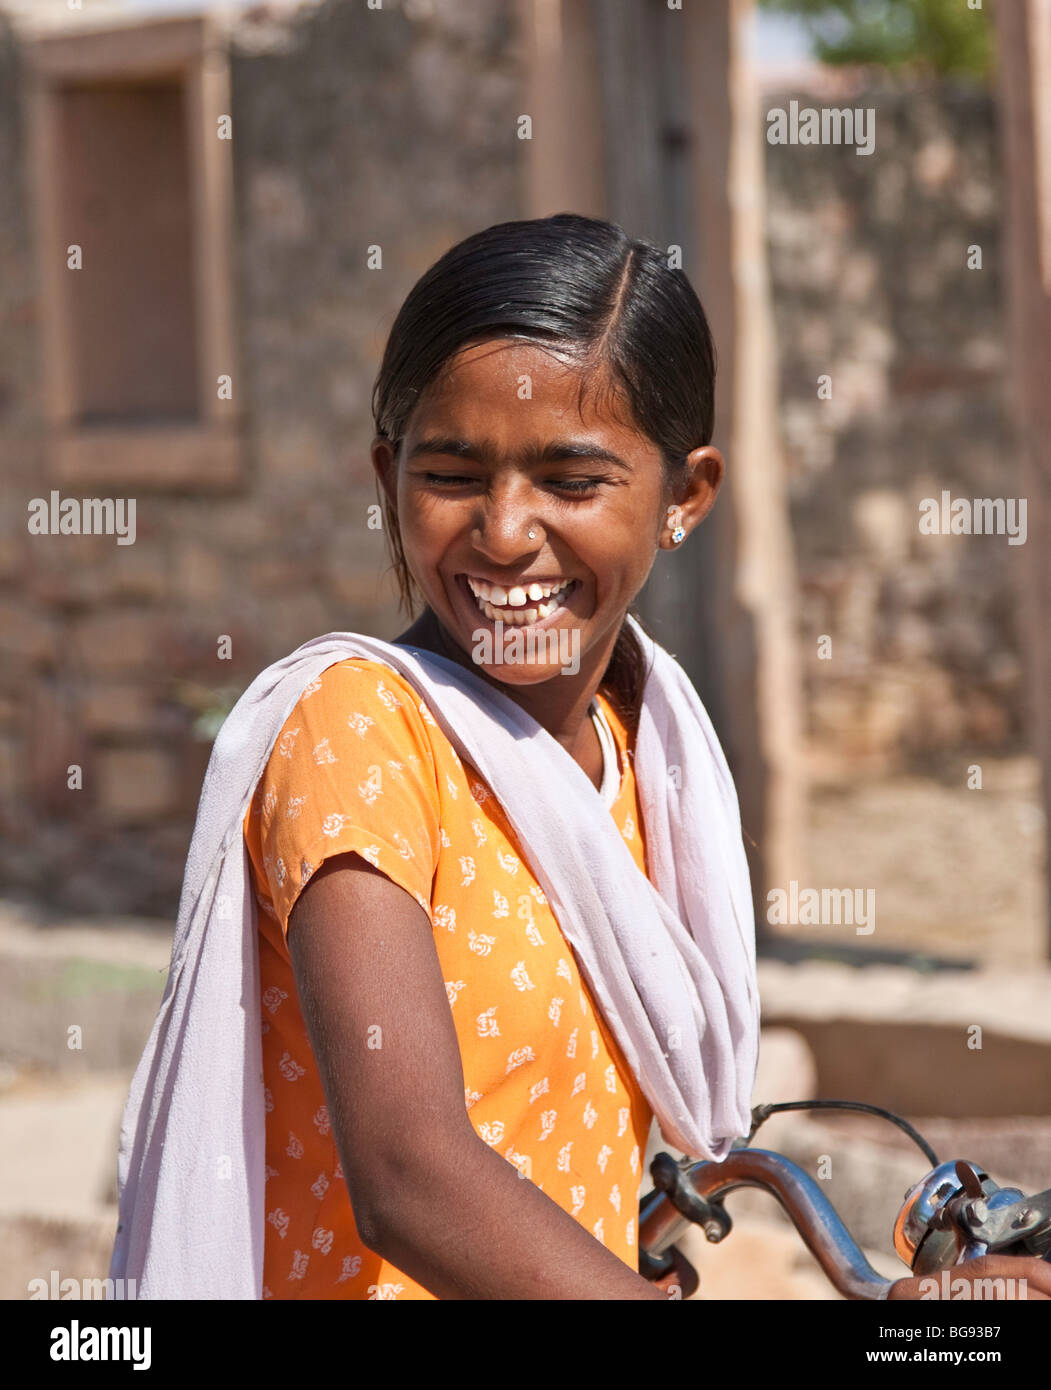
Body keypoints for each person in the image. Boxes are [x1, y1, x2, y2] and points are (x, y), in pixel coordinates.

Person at [112, 212, 1051, 1302]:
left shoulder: (637, 746)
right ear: (388, 474)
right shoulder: (360, 731)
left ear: (684, 498)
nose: (506, 532)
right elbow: (411, 1176)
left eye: (571, 481)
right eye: (453, 473)